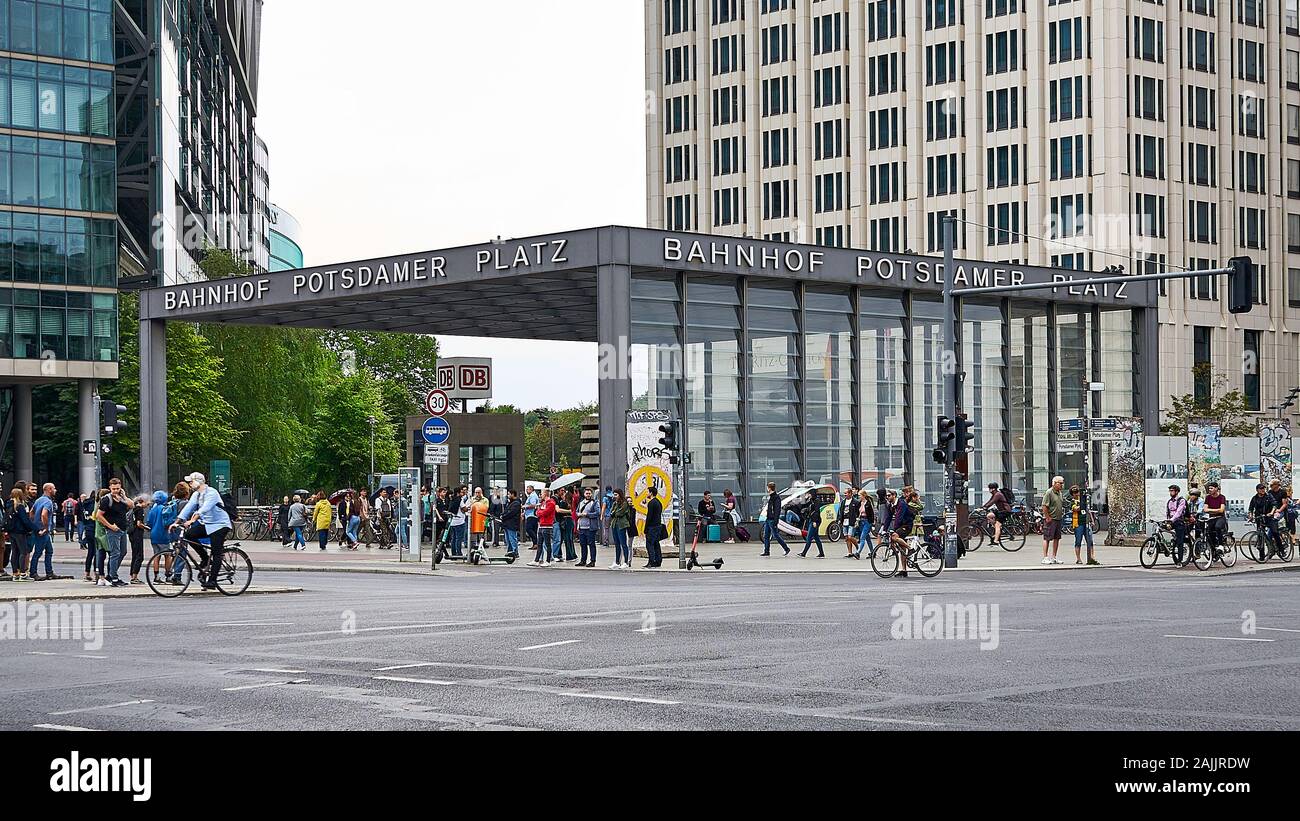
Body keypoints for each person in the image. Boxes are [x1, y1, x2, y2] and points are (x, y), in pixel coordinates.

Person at [173, 473, 232, 591]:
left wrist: (192, 520)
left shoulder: (212, 493)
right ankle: (205, 558)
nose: (190, 484)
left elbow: (205, 508)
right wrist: (177, 521)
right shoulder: (196, 494)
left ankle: (212, 581)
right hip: (207, 524)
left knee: (216, 552)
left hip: (220, 525)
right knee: (189, 535)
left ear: (199, 482)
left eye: (191, 481)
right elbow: (188, 507)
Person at [96, 477, 132, 587]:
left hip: (122, 529)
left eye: (117, 488)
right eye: (113, 489)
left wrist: (124, 496)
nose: (115, 491)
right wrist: (110, 526)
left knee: (123, 552)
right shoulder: (106, 499)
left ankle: (111, 574)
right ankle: (114, 578)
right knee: (115, 553)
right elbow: (98, 515)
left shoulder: (121, 498)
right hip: (113, 530)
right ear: (110, 488)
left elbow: (131, 505)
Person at [31, 482, 66, 581]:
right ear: (49, 489)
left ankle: (49, 572)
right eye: (54, 488)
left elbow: (31, 512)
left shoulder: (39, 500)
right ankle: (33, 572)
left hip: (39, 529)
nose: (55, 490)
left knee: (49, 551)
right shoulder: (48, 502)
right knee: (38, 552)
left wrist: (34, 525)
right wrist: (45, 527)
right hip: (44, 531)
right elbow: (44, 514)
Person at [146, 490, 179, 583]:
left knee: (156, 556)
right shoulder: (165, 508)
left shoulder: (152, 509)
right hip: (163, 534)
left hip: (154, 534)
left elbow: (149, 522)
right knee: (167, 555)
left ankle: (156, 577)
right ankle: (168, 575)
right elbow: (168, 522)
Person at [1248, 482, 1284, 559]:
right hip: (1260, 518)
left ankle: (1282, 550)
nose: (1263, 490)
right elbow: (1250, 508)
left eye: (1264, 488)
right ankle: (1262, 556)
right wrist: (1250, 516)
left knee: (1275, 532)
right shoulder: (1254, 498)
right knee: (1260, 536)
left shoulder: (1268, 496)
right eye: (1261, 489)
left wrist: (1271, 512)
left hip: (1269, 517)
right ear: (1257, 490)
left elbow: (1274, 504)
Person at [6, 485, 35, 582]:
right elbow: (25, 520)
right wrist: (34, 528)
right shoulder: (19, 506)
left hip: (11, 531)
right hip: (20, 532)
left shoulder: (9, 504)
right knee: (23, 551)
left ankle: (15, 574)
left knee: (14, 552)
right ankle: (23, 573)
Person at [1069, 485, 1098, 566]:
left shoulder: (1083, 500)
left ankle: (1092, 557)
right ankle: (1078, 558)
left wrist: (1092, 520)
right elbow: (1075, 508)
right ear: (1072, 494)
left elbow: (1088, 511)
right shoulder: (1073, 501)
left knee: (1090, 540)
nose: (1077, 494)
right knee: (1078, 541)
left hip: (1086, 522)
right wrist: (1082, 504)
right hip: (1078, 523)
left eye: (1077, 492)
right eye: (1074, 492)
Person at [1040, 475, 1066, 565]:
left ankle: (1054, 557)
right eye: (1060, 483)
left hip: (1058, 518)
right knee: (1047, 537)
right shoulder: (1049, 492)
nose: (1062, 485)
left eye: (1062, 483)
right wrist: (1047, 517)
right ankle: (1045, 557)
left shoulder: (1060, 493)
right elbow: (1044, 506)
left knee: (1056, 538)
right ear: (1054, 483)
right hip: (1051, 519)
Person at [760, 481, 790, 556]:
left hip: (772, 520)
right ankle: (766, 551)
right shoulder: (771, 497)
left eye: (767, 487)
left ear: (769, 488)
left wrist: (775, 522)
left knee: (776, 535)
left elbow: (777, 511)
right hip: (768, 519)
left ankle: (786, 548)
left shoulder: (776, 498)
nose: (767, 489)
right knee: (766, 536)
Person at [530, 488, 556, 567]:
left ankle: (548, 560)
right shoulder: (543, 503)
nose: (540, 495)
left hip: (547, 525)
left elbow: (545, 512)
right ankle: (536, 560)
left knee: (548, 544)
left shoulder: (551, 503)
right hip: (541, 525)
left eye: (542, 493)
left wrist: (539, 512)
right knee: (539, 543)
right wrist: (539, 512)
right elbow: (537, 513)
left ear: (546, 494)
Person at [127, 494, 149, 584]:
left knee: (134, 554)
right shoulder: (140, 510)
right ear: (142, 501)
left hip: (131, 533)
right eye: (147, 503)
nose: (147, 505)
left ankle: (132, 574)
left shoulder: (133, 509)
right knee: (140, 555)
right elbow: (139, 523)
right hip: (137, 534)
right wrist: (146, 528)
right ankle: (135, 576)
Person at [576, 487, 600, 567]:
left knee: (591, 544)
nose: (588, 495)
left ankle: (592, 561)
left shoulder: (594, 503)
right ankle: (583, 560)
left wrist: (587, 514)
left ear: (592, 494)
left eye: (589, 493)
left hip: (590, 527)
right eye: (587, 493)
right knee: (583, 545)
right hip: (582, 527)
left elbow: (597, 513)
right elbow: (576, 511)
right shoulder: (581, 502)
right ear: (584, 494)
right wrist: (578, 514)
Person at [609, 489, 632, 568]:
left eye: (616, 495)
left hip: (621, 525)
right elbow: (611, 513)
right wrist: (614, 512)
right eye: (614, 495)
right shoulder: (615, 503)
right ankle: (617, 562)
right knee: (617, 544)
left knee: (623, 544)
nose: (614, 496)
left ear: (620, 495)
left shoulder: (624, 503)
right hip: (614, 524)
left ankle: (626, 562)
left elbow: (620, 513)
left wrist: (614, 512)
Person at [1166, 484, 1189, 565]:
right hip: (1171, 521)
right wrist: (1167, 520)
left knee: (1180, 541)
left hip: (1179, 521)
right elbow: (1168, 512)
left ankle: (1179, 560)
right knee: (1159, 528)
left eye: (1172, 491)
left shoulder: (1181, 501)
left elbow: (1178, 512)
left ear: (1177, 492)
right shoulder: (1169, 501)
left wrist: (1172, 520)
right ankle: (1163, 546)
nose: (1171, 492)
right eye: (1170, 491)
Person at [1204, 482, 1228, 554]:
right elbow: (1205, 509)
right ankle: (1213, 549)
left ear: (1216, 488)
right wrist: (1216, 510)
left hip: (1220, 517)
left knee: (1218, 527)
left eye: (1211, 488)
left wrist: (1210, 510)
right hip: (1211, 518)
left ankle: (1221, 545)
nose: (1210, 490)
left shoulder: (1222, 497)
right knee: (1209, 532)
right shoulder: (1208, 497)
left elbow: (1221, 510)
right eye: (1209, 488)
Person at [643, 484, 664, 568]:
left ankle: (651, 561)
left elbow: (649, 517)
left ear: (651, 493)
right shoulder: (658, 502)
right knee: (656, 544)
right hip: (658, 526)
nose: (646, 493)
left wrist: (645, 528)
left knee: (649, 545)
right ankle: (658, 560)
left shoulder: (651, 503)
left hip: (652, 527)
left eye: (647, 492)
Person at [854, 488, 876, 559]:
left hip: (867, 521)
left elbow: (872, 514)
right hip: (861, 521)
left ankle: (858, 552)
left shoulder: (868, 504)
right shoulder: (859, 503)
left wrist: (872, 523)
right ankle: (873, 552)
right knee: (867, 538)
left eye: (859, 495)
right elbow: (857, 512)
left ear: (863, 495)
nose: (859, 497)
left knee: (862, 537)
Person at [553, 488, 573, 563]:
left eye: (564, 491)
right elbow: (558, 510)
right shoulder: (556, 499)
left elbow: (558, 510)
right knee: (562, 539)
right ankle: (558, 555)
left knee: (562, 539)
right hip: (562, 521)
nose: (563, 492)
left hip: (563, 521)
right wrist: (570, 511)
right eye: (562, 491)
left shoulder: (562, 501)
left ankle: (558, 555)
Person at [501, 489, 522, 558]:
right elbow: (507, 511)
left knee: (512, 538)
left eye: (509, 494)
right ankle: (510, 551)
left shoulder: (516, 503)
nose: (508, 495)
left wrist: (504, 516)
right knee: (508, 539)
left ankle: (515, 551)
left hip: (512, 524)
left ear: (513, 494)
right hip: (507, 524)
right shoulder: (511, 502)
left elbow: (511, 513)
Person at [842, 488, 861, 558]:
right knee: (847, 537)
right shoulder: (843, 502)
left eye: (846, 493)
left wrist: (857, 519)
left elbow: (858, 511)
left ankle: (858, 547)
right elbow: (841, 511)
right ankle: (850, 552)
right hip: (844, 521)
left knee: (850, 537)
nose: (845, 495)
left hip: (851, 521)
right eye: (844, 493)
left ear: (850, 494)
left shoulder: (855, 502)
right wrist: (839, 519)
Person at [469, 488, 490, 552]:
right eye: (476, 492)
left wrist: (478, 504)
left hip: (483, 519)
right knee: (473, 533)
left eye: (478, 492)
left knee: (482, 532)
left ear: (481, 493)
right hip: (474, 518)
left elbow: (485, 508)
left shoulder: (485, 500)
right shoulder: (472, 499)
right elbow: (470, 507)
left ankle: (482, 544)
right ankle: (473, 546)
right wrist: (474, 502)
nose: (477, 494)